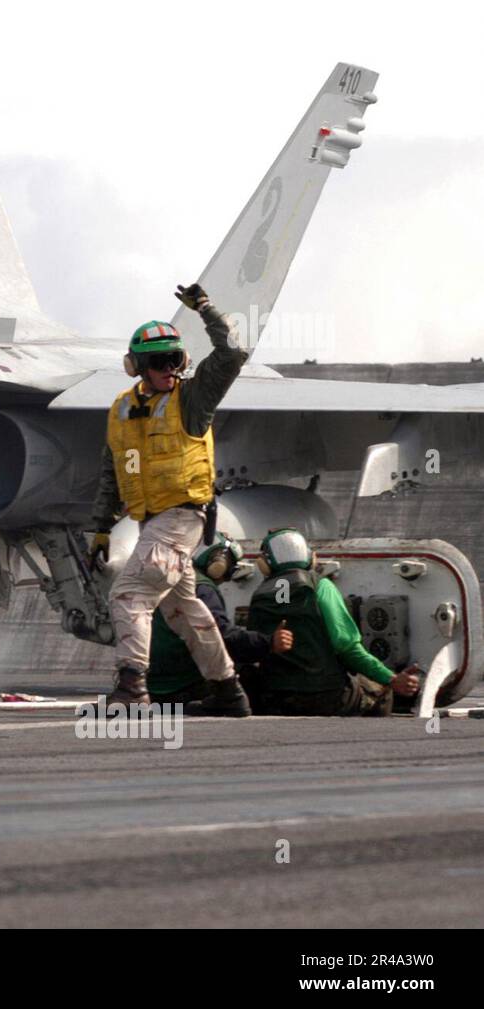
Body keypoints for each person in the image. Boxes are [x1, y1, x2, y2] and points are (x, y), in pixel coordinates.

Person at [89, 283, 252, 715]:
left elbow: (233, 354)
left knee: (128, 594)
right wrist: (102, 526)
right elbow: (112, 471)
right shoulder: (121, 410)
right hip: (152, 521)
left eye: (174, 359)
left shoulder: (193, 400)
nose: (168, 368)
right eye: (158, 361)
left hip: (182, 517)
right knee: (184, 610)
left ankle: (132, 686)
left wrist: (204, 307)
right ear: (137, 366)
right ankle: (227, 690)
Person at [241, 528, 421, 716]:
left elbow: (253, 647)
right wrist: (392, 679)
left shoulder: (260, 594)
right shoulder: (320, 587)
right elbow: (347, 648)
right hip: (327, 697)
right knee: (380, 691)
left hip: (274, 699)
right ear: (312, 559)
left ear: (264, 565)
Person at [147, 533, 292, 703]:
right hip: (184, 683)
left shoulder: (170, 578)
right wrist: (268, 642)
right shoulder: (202, 588)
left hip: (153, 683)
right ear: (217, 560)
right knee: (247, 674)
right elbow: (222, 637)